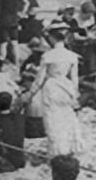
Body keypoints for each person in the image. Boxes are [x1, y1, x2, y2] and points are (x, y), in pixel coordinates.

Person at [31, 24, 83, 157]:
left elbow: (39, 79)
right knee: (66, 118)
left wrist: (31, 93)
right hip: (66, 87)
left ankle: (56, 152)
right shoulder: (72, 56)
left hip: (52, 87)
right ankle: (69, 149)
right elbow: (74, 78)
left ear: (53, 38)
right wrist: (75, 94)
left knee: (53, 119)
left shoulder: (48, 56)